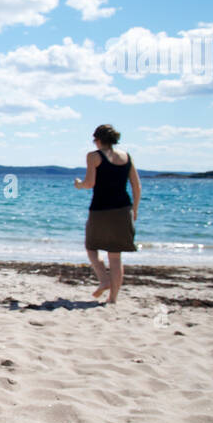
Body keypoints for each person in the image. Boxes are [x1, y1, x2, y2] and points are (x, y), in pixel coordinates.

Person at [74, 124, 141, 304]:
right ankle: (112, 299)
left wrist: (79, 184)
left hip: (100, 209)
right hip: (123, 209)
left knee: (91, 247)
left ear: (98, 139)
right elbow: (136, 186)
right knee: (115, 257)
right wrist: (134, 209)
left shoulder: (94, 156)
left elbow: (90, 183)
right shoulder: (126, 157)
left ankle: (104, 280)